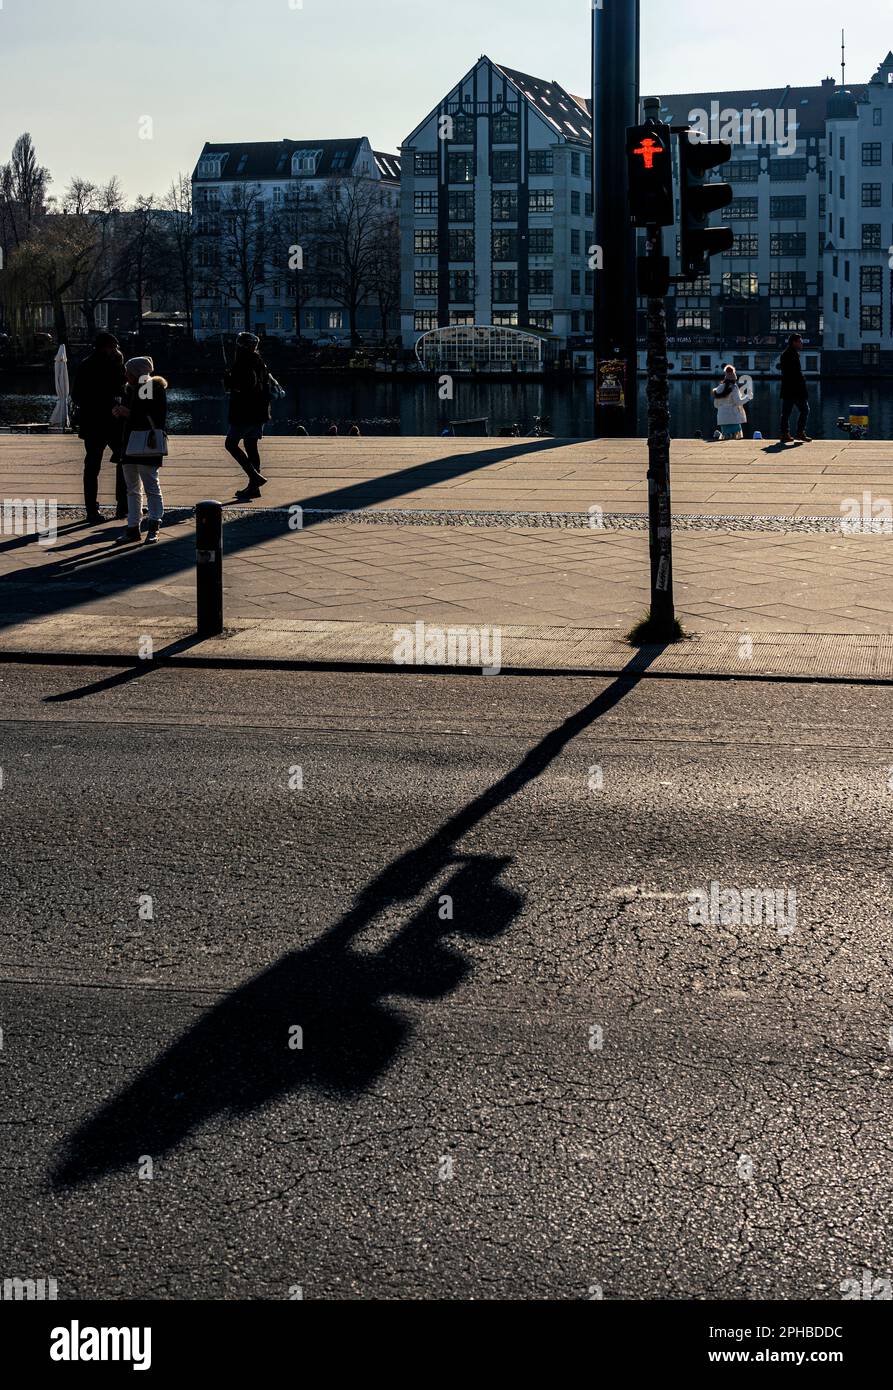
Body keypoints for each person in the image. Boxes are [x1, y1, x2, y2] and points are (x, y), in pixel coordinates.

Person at [71, 331, 127, 523]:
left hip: (92, 423)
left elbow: (77, 395)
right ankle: (123, 505)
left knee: (92, 467)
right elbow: (122, 389)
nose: (116, 350)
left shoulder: (85, 365)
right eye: (113, 347)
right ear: (105, 347)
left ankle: (91, 509)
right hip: (111, 422)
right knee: (123, 460)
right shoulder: (113, 365)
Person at [112, 356, 168, 545]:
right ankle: (136, 528)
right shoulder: (134, 389)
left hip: (143, 443)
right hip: (131, 443)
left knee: (144, 488)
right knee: (136, 488)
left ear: (137, 373)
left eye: (129, 371)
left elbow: (151, 416)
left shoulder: (148, 387)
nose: (126, 374)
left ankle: (148, 527)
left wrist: (126, 413)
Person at [223, 332, 271, 500]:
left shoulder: (242, 362)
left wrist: (228, 382)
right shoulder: (260, 362)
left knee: (230, 444)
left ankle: (255, 477)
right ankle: (253, 488)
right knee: (251, 446)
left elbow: (245, 386)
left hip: (244, 412)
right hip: (260, 411)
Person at [778, 334, 812, 444]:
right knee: (805, 410)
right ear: (794, 342)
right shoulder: (793, 354)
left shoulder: (785, 354)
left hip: (787, 389)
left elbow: (786, 373)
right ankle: (800, 432)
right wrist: (803, 383)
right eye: (800, 341)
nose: (802, 343)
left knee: (786, 413)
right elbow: (796, 373)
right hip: (796, 389)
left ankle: (785, 434)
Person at [712, 364, 747, 440]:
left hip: (722, 418)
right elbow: (738, 402)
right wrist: (747, 397)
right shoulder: (733, 387)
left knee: (726, 438)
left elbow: (715, 405)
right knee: (735, 439)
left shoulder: (719, 388)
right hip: (733, 417)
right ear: (734, 379)